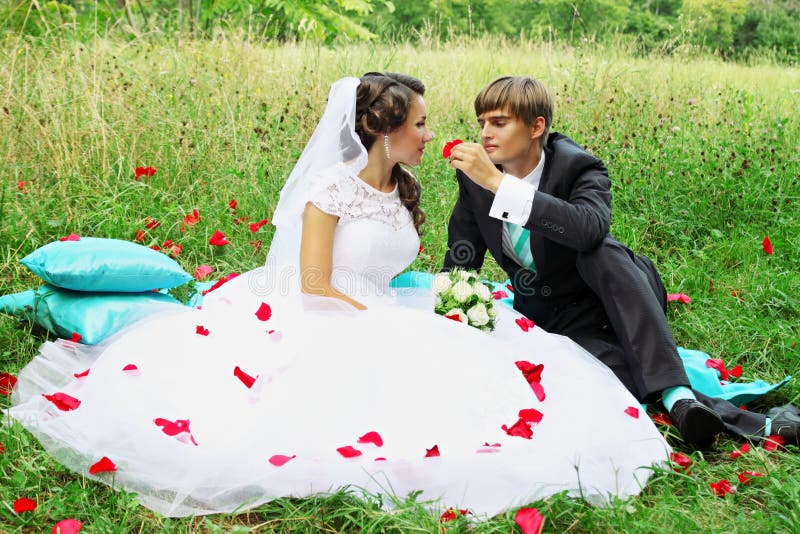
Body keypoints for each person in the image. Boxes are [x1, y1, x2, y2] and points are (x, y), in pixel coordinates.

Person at [9, 73, 671, 519]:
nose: (427, 135)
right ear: (384, 132)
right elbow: (316, 282)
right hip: (319, 311)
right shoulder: (329, 189)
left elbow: (454, 252)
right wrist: (387, 318)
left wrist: (456, 292)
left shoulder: (402, 188)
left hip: (380, 306)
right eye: (418, 124)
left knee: (487, 360)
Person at [443, 75, 800, 449]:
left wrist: (500, 186)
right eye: (481, 122)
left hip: (617, 296)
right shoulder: (474, 181)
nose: (485, 133)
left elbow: (588, 229)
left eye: (498, 122)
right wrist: (448, 323)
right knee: (598, 372)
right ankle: (707, 409)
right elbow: (462, 257)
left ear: (536, 127)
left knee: (599, 249)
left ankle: (679, 395)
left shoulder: (578, 167)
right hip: (557, 317)